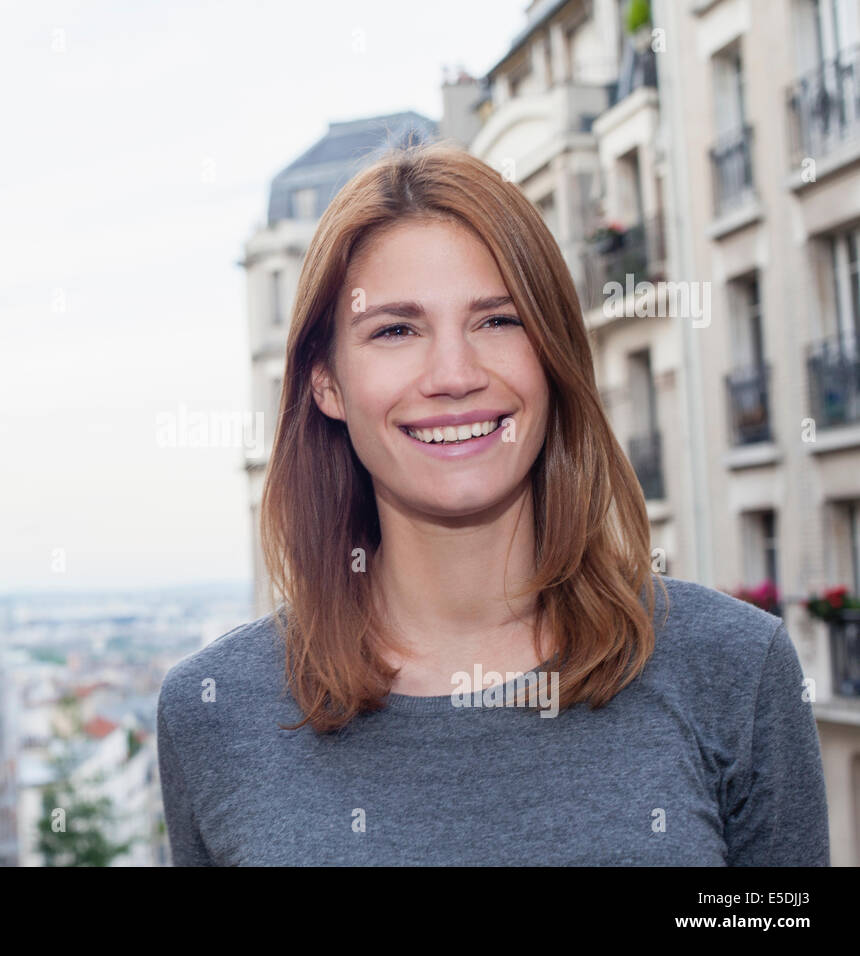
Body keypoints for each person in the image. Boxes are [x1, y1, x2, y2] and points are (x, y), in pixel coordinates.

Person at [156, 143, 830, 866]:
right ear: (326, 384)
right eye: (395, 330)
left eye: (498, 320)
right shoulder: (213, 710)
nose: (453, 375)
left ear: (553, 356)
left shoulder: (734, 670)